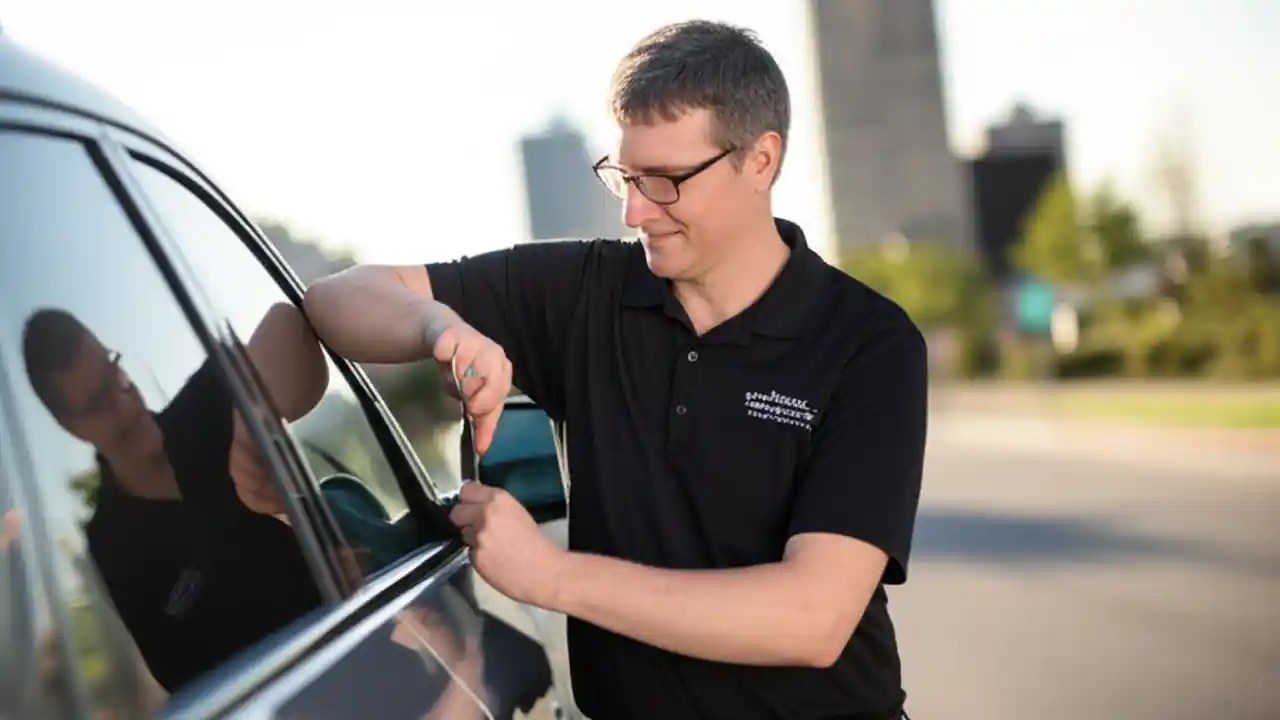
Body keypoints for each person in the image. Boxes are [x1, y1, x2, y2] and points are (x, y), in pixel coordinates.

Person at [302, 20, 927, 720]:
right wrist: (439, 326)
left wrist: (553, 577)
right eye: (626, 177)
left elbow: (812, 618)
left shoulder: (868, 343)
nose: (635, 211)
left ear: (760, 160)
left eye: (665, 181)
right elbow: (336, 299)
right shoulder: (584, 292)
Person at [21, 305, 327, 690]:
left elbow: (290, 323)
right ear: (70, 425)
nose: (125, 397)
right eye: (99, 399)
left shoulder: (206, 407)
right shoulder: (111, 550)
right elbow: (183, 682)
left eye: (113, 368)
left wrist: (256, 425)